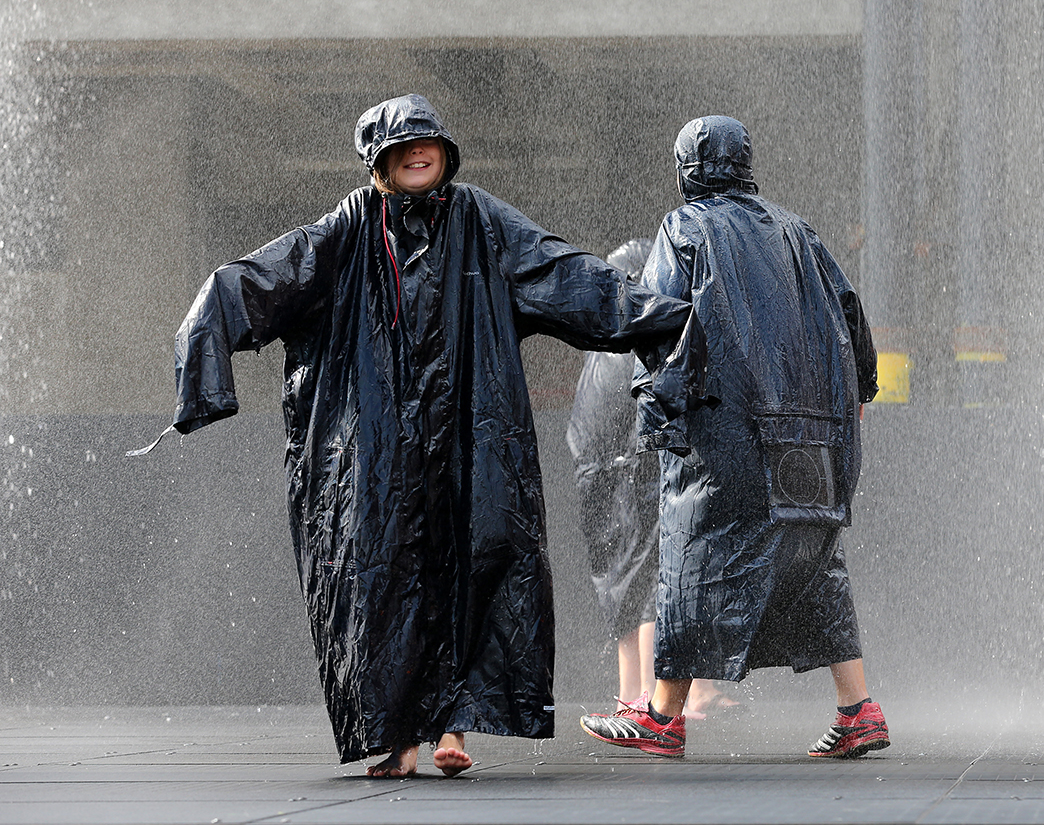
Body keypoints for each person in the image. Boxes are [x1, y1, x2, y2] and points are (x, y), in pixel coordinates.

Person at [165, 94, 689, 776]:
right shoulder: (347, 232)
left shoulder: (480, 221)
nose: (417, 153)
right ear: (378, 160)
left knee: (476, 567)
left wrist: (667, 318)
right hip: (377, 453)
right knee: (382, 583)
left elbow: (567, 278)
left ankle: (455, 728)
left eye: (428, 143)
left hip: (472, 439)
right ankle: (398, 736)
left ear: (444, 151)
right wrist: (203, 358)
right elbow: (256, 281)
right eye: (402, 146)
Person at [579, 115, 886, 759]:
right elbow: (851, 316)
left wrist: (658, 417)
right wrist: (858, 396)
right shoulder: (797, 232)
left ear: (687, 165)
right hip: (810, 438)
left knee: (692, 557)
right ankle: (859, 710)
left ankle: (662, 717)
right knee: (814, 563)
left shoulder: (685, 228)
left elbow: (661, 325)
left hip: (729, 432)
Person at [566, 238, 736, 718]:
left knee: (624, 588)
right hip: (625, 469)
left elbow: (587, 425)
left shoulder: (607, 338)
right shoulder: (639, 336)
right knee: (653, 582)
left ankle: (633, 696)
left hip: (599, 472)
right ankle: (662, 698)